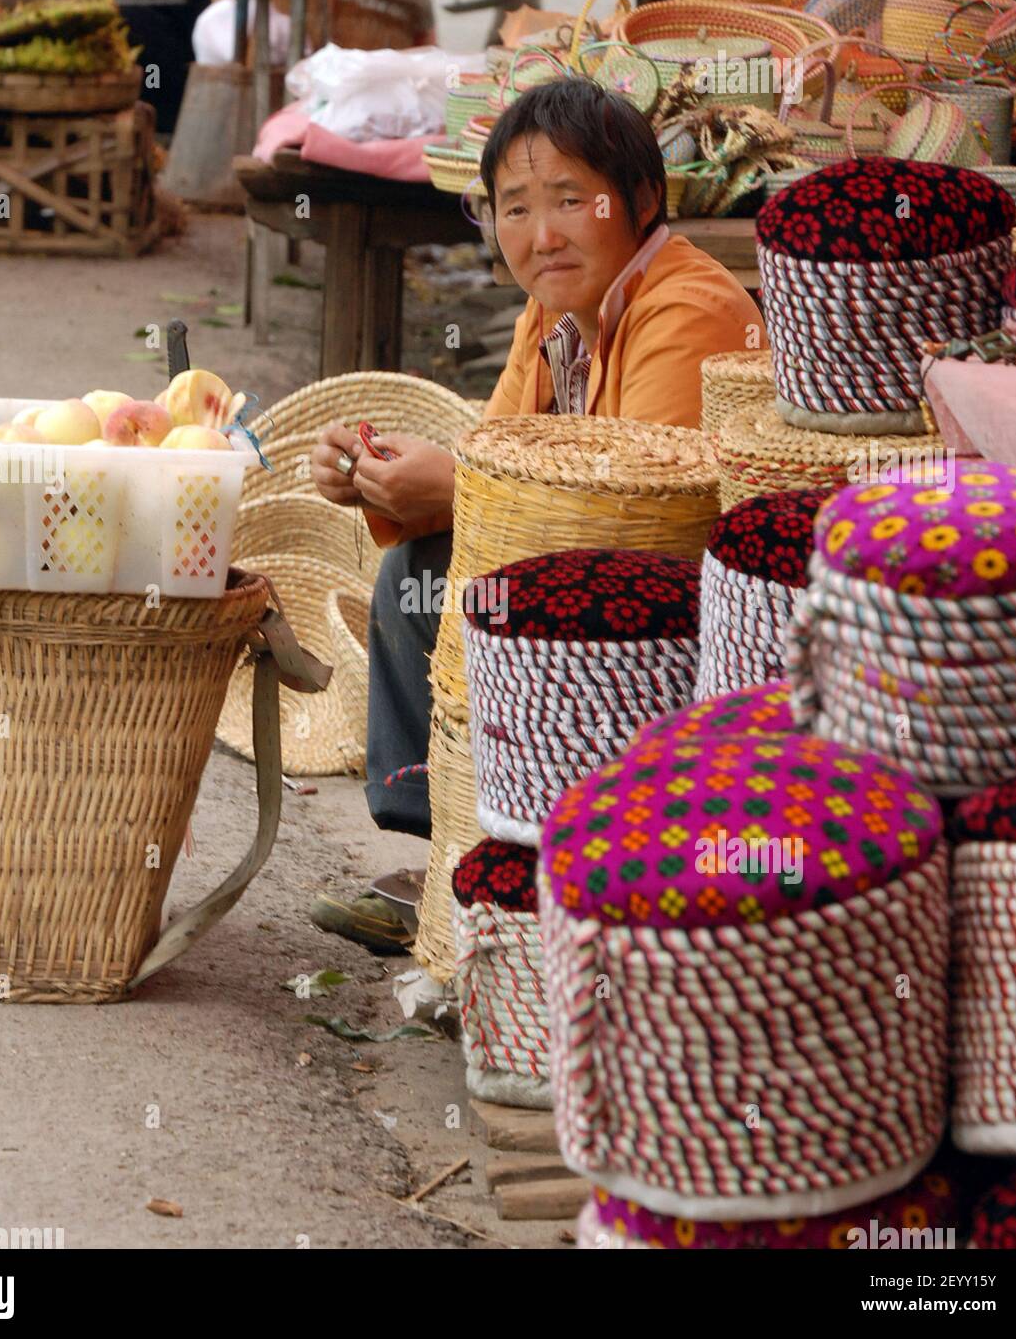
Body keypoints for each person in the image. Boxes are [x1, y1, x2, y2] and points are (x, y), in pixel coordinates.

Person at [308, 75, 766, 952]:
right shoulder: (553, 311)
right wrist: (380, 477)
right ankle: (448, 849)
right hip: (588, 583)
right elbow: (501, 456)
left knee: (437, 570)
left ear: (637, 200)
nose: (540, 234)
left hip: (679, 616)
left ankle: (492, 859)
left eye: (569, 200)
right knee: (420, 568)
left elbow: (635, 516)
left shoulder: (687, 307)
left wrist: (450, 489)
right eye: (513, 209)